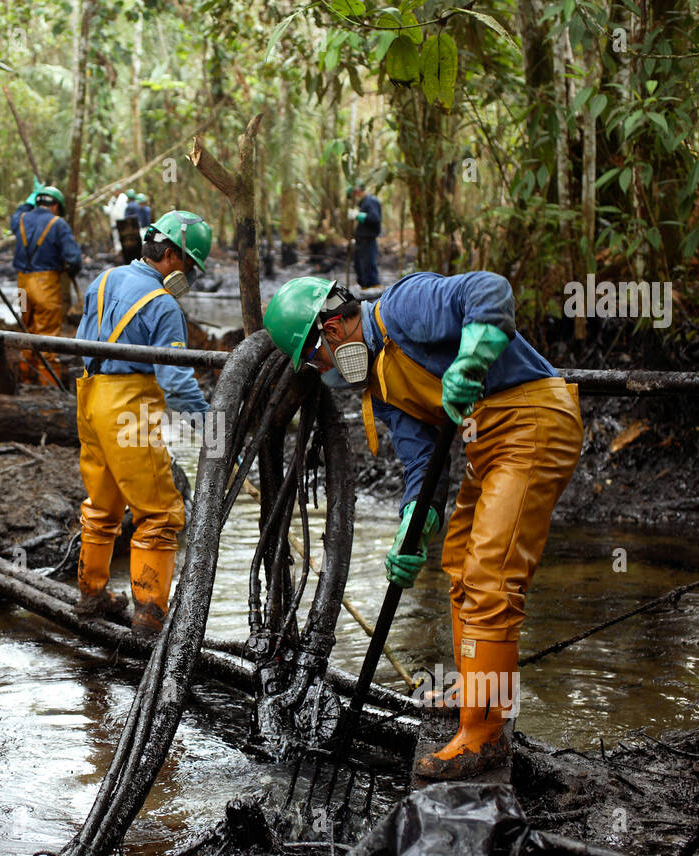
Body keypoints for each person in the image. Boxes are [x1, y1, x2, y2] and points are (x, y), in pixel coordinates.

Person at [261, 272, 583, 779]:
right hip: (488, 445)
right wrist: (412, 524)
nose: (321, 368)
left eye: (314, 354)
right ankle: (471, 690)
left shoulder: (404, 307)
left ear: (334, 325)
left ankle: (486, 733)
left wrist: (472, 359)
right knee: (458, 563)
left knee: (490, 579)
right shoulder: (380, 388)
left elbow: (491, 291)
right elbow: (422, 462)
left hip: (532, 420)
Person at [73, 210, 213, 640]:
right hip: (129, 412)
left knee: (101, 509)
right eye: (188, 266)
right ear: (170, 255)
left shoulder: (103, 280)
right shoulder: (165, 306)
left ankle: (91, 596)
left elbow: (83, 344)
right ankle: (150, 617)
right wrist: (212, 429)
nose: (188, 276)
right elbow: (175, 382)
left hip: (90, 401)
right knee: (159, 516)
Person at [10, 185, 82, 384]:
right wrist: (71, 270)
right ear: (56, 207)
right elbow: (74, 258)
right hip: (45, 285)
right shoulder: (58, 224)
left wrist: (28, 199)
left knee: (27, 328)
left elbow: (17, 212)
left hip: (22, 286)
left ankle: (25, 379)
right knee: (48, 334)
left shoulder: (21, 219)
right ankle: (48, 385)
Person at [347, 184, 383, 292]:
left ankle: (373, 286)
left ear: (357, 192)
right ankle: (363, 286)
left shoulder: (371, 201)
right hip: (361, 240)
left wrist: (358, 215)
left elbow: (375, 218)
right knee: (359, 264)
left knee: (368, 264)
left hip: (368, 240)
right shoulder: (363, 202)